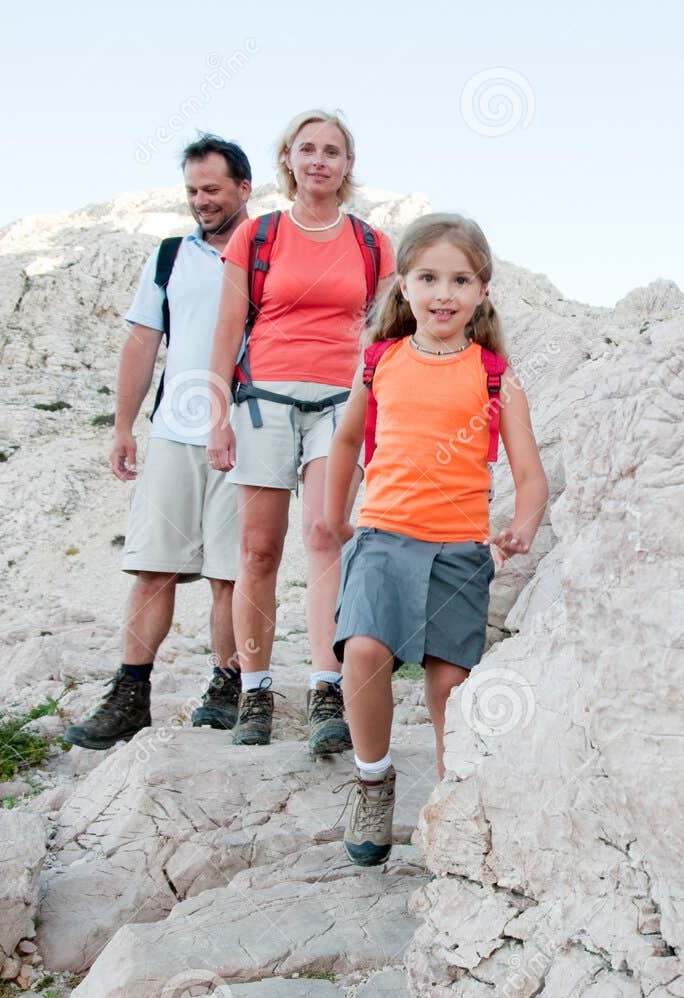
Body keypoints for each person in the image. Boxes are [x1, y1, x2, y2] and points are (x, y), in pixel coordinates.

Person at [325, 213, 548, 865]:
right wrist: (335, 513)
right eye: (429, 277)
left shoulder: (497, 378)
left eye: (460, 279)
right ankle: (374, 781)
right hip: (383, 537)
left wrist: (523, 526)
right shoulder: (380, 363)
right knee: (363, 652)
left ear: (482, 291)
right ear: (403, 283)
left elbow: (530, 477)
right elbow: (344, 440)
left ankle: (454, 808)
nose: (443, 293)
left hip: (458, 551)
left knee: (450, 685)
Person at [206, 110, 394, 753]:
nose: (319, 160)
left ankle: (325, 685)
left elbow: (386, 334)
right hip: (262, 400)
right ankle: (254, 688)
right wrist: (217, 420)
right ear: (288, 158)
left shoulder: (372, 244)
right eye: (307, 149)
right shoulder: (257, 236)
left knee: (325, 537)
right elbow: (227, 330)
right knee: (259, 550)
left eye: (333, 151)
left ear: (347, 165)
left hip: (341, 403)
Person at [66, 135, 253, 750]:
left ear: (243, 189)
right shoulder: (170, 256)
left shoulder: (270, 249)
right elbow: (143, 342)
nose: (200, 201)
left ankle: (229, 690)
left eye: (212, 190)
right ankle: (130, 696)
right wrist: (123, 426)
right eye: (193, 191)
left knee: (232, 573)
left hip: (249, 432)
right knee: (152, 569)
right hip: (174, 430)